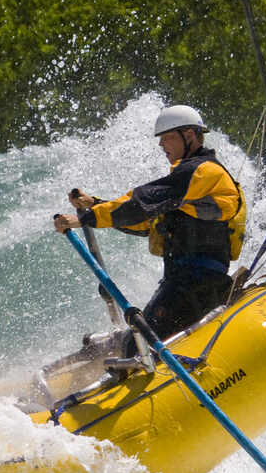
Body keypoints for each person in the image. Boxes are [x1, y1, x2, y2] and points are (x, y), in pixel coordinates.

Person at [54, 104, 248, 345]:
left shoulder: (203, 172)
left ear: (189, 135)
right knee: (131, 342)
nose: (161, 145)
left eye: (167, 137)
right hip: (183, 284)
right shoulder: (187, 181)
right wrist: (94, 204)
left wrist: (83, 219)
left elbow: (141, 201)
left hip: (198, 285)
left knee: (138, 345)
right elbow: (145, 222)